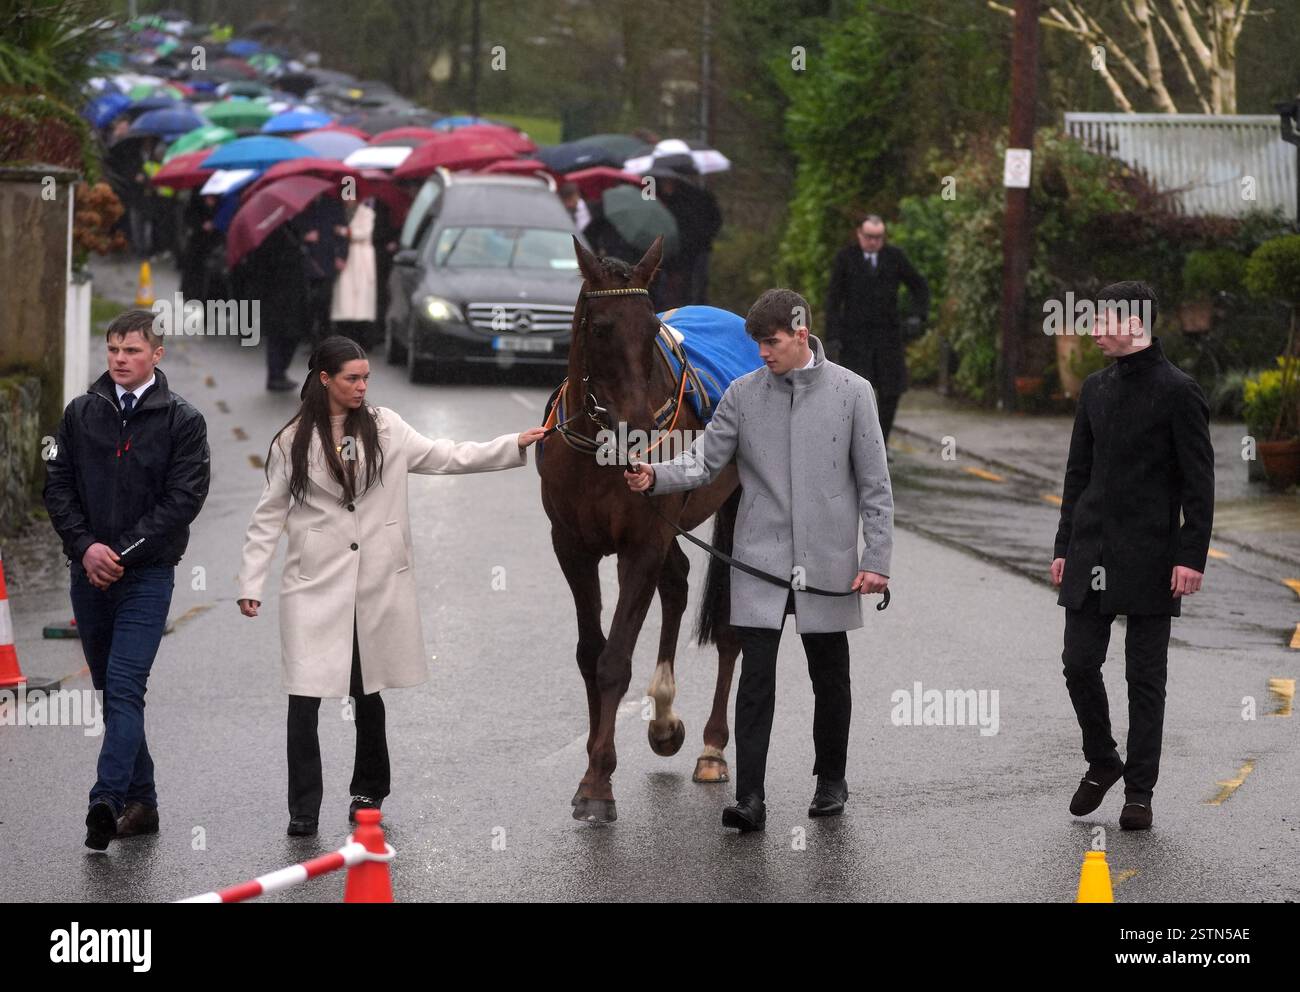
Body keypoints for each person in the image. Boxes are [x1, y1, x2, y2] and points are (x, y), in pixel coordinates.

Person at [236, 336, 547, 836]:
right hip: (313, 583)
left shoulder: (387, 427)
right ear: (324, 380)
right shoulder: (290, 441)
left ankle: (368, 792)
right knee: (304, 698)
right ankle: (303, 808)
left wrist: (512, 444)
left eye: (365, 378)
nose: (362, 387)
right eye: (351, 378)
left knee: (367, 691)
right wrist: (250, 581)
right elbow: (267, 516)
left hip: (376, 582)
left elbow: (445, 455)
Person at [624, 288, 893, 832]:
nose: (762, 354)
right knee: (755, 682)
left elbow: (875, 485)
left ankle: (830, 780)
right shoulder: (744, 394)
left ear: (800, 335)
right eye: (758, 345)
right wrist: (656, 476)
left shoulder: (854, 392)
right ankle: (750, 798)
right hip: (758, 559)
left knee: (830, 676)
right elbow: (703, 460)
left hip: (828, 561)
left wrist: (877, 559)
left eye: (770, 343)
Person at [43, 310, 211, 850]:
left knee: (123, 686)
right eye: (113, 349)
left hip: (147, 576)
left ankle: (107, 799)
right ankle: (145, 803)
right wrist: (86, 548)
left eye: (132, 350)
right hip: (88, 574)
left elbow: (182, 501)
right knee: (110, 692)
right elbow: (58, 486)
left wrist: (119, 551)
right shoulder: (80, 413)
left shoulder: (183, 421)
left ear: (156, 356)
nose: (119, 359)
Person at [1051, 281, 1214, 831]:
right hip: (1090, 548)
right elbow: (1077, 475)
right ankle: (1103, 761)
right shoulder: (1094, 389)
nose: (1093, 331)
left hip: (1152, 555)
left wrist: (1191, 557)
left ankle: (1140, 791)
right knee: (1078, 664)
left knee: (1144, 679)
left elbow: (1200, 485)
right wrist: (1063, 547)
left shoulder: (1179, 391)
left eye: (1102, 322)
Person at [824, 214, 929, 442]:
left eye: (879, 237)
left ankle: (882, 444)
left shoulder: (894, 257)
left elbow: (919, 285)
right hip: (855, 338)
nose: (874, 242)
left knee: (892, 390)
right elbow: (833, 299)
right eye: (869, 237)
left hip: (888, 337)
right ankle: (857, 444)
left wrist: (917, 316)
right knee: (857, 391)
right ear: (859, 235)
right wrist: (832, 336)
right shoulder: (846, 258)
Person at [330, 199, 379, 349]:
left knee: (362, 299)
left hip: (362, 259)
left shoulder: (368, 213)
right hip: (346, 258)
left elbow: (364, 233)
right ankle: (345, 336)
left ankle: (363, 338)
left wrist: (344, 231)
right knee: (345, 299)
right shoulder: (339, 214)